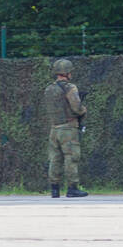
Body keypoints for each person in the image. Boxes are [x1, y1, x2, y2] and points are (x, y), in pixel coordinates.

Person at [43, 59, 88, 198]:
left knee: (55, 159)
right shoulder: (70, 88)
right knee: (71, 158)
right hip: (68, 129)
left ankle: (54, 189)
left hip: (54, 128)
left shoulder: (49, 89)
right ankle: (72, 188)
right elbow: (77, 108)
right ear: (67, 72)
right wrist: (83, 110)